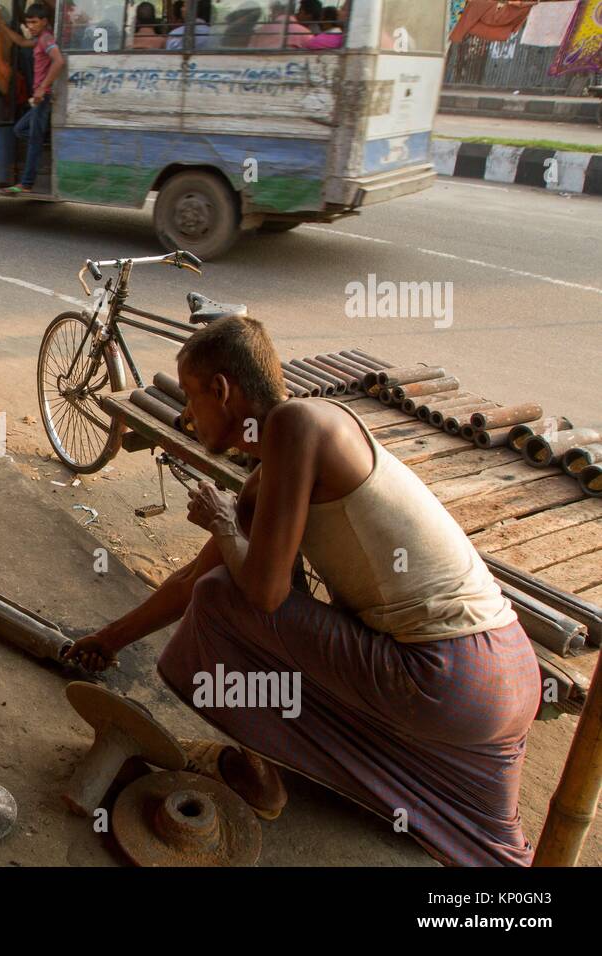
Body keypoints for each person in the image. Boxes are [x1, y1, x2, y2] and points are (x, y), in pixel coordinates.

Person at [66, 317, 541, 867]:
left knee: (227, 596)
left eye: (193, 399)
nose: (186, 416)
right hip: (505, 681)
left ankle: (257, 773)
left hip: (443, 677)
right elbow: (189, 579)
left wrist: (223, 527)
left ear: (222, 390)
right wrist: (110, 638)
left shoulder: (293, 425)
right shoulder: (295, 452)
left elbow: (258, 594)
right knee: (499, 860)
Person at [0, 3, 64, 194]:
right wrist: (0, 23)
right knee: (20, 130)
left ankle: (27, 183)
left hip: (43, 98)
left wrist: (42, 87)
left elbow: (59, 61)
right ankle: (41, 141)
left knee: (32, 139)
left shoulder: (47, 39)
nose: (30, 26)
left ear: (45, 21)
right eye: (28, 22)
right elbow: (21, 42)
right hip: (39, 100)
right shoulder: (39, 39)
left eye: (34, 22)